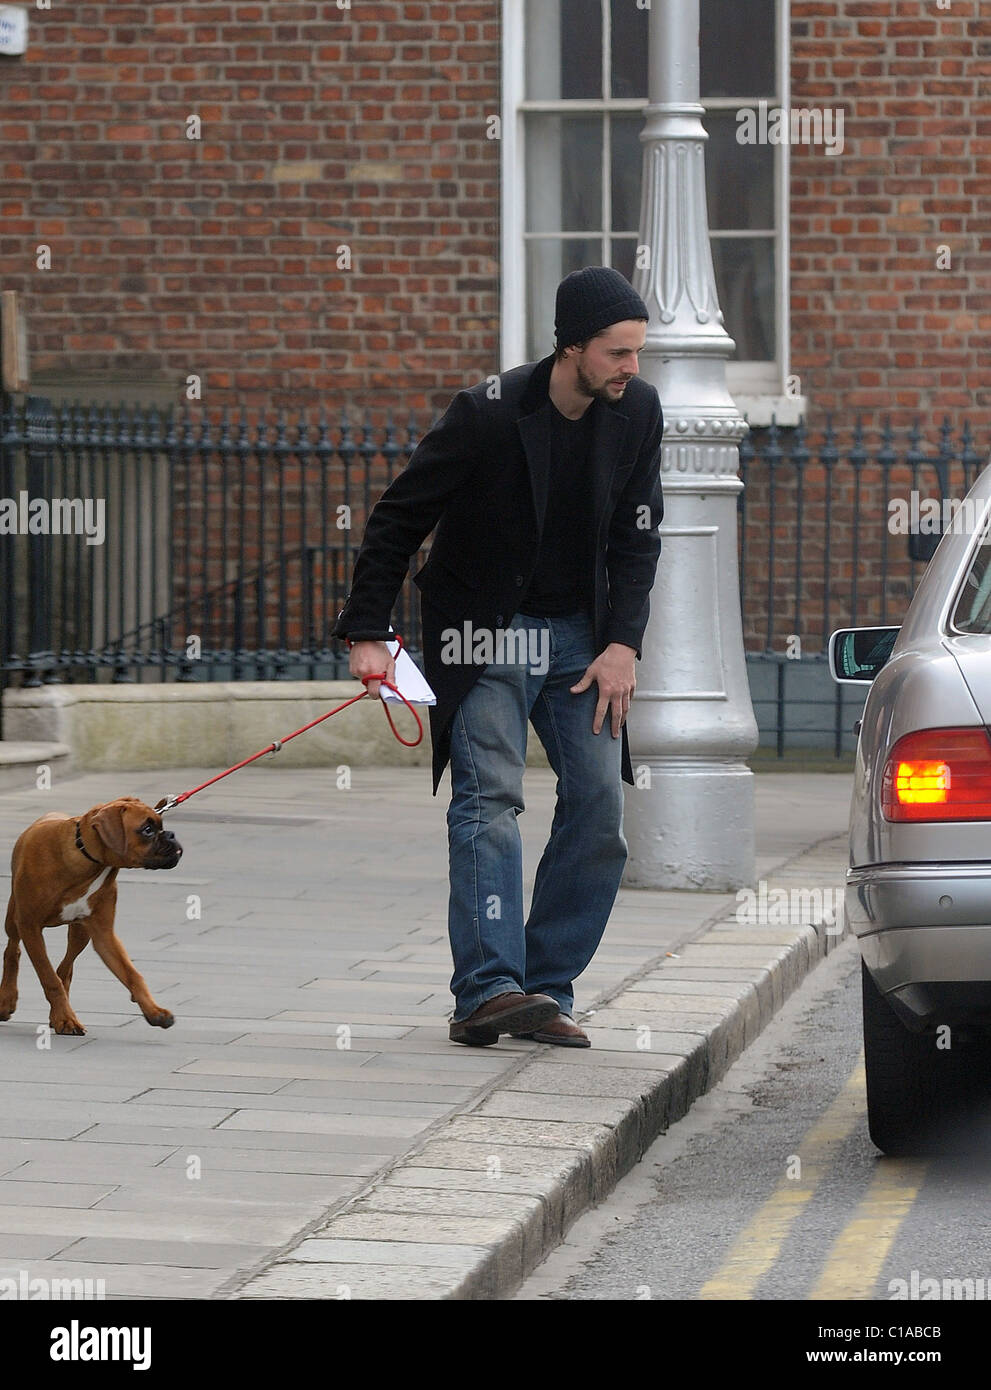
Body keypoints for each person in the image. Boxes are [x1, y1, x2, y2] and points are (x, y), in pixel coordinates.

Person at [332, 266, 664, 1047]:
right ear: (571, 347)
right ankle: (486, 989)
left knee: (600, 812)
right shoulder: (484, 415)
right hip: (481, 632)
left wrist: (622, 644)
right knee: (490, 803)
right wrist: (367, 633)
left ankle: (543, 989)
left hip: (580, 638)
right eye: (618, 353)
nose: (631, 368)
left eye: (637, 352)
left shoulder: (637, 412)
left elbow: (637, 536)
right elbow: (396, 519)